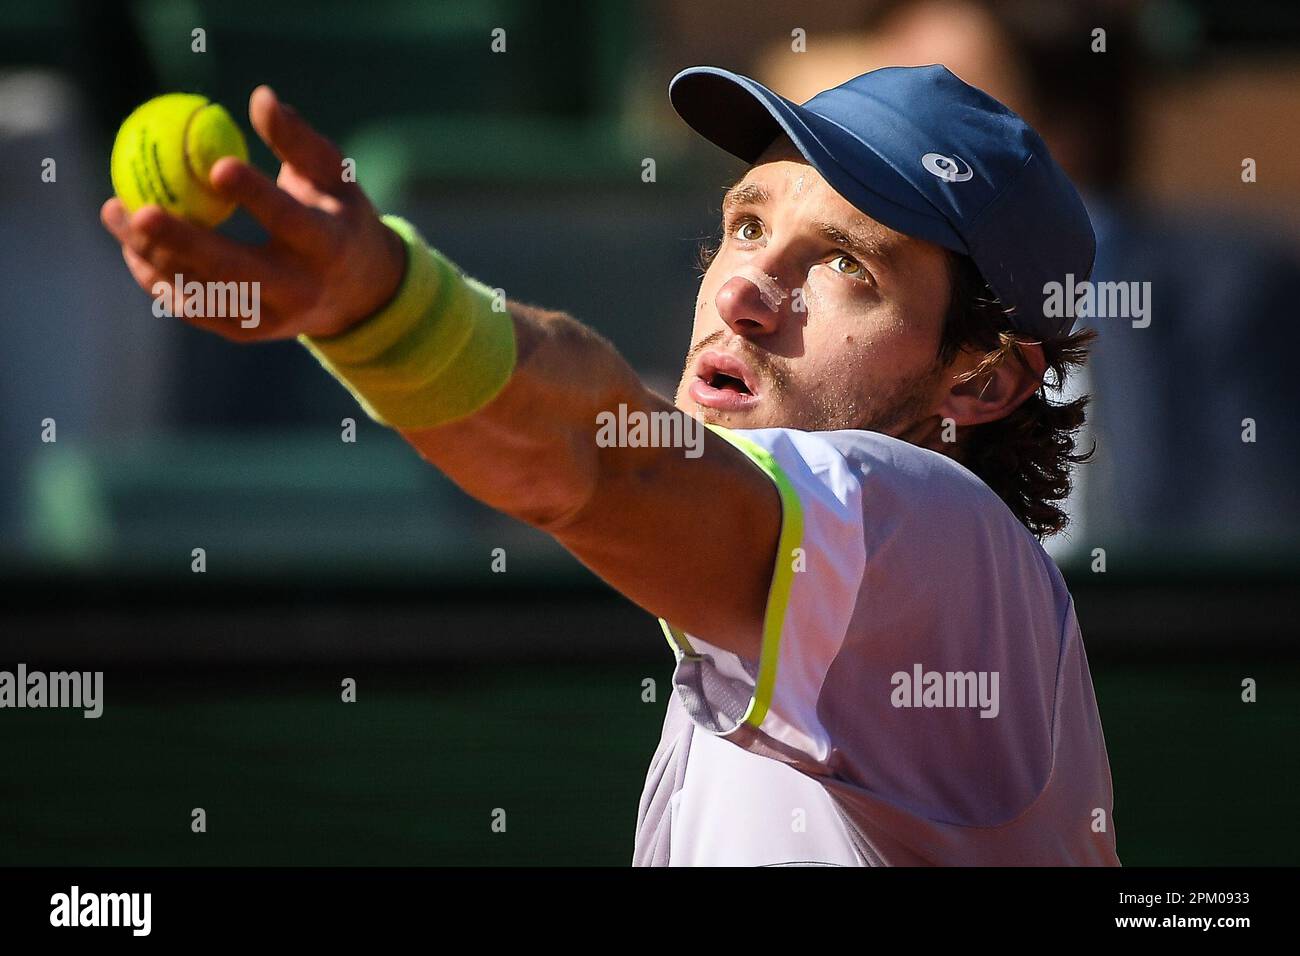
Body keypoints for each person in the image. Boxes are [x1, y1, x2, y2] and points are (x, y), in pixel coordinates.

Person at [100, 65, 1119, 866]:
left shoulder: (944, 545)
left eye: (848, 264)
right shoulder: (783, 642)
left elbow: (609, 465)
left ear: (980, 384)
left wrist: (380, 308)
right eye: (748, 224)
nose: (745, 290)